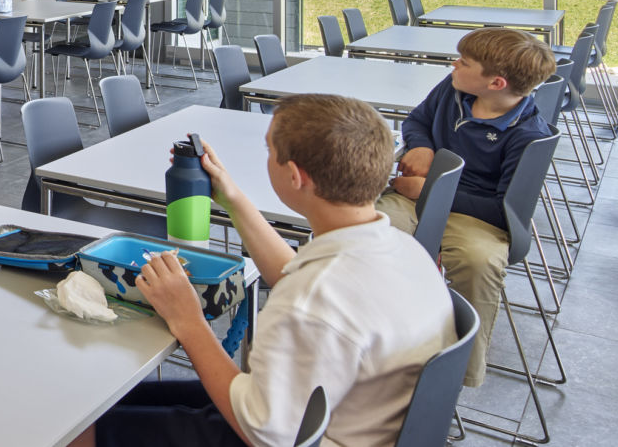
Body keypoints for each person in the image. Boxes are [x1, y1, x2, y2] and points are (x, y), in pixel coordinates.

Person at [78, 95, 452, 447]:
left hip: (290, 434)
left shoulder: (311, 301)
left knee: (79, 430)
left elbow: (259, 432)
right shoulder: (402, 249)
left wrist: (188, 320)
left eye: (269, 151)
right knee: (103, 405)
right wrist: (232, 198)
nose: (266, 157)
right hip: (333, 414)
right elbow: (295, 277)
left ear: (294, 175)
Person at [376, 26, 556, 388]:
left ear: (496, 83)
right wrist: (420, 146)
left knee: (479, 262)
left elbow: (504, 210)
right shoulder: (454, 87)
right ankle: (377, 344)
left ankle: (457, 376)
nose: (454, 64)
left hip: (476, 215)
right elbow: (418, 120)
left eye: (465, 62)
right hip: (417, 197)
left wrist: (430, 192)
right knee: (375, 232)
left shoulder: (528, 135)